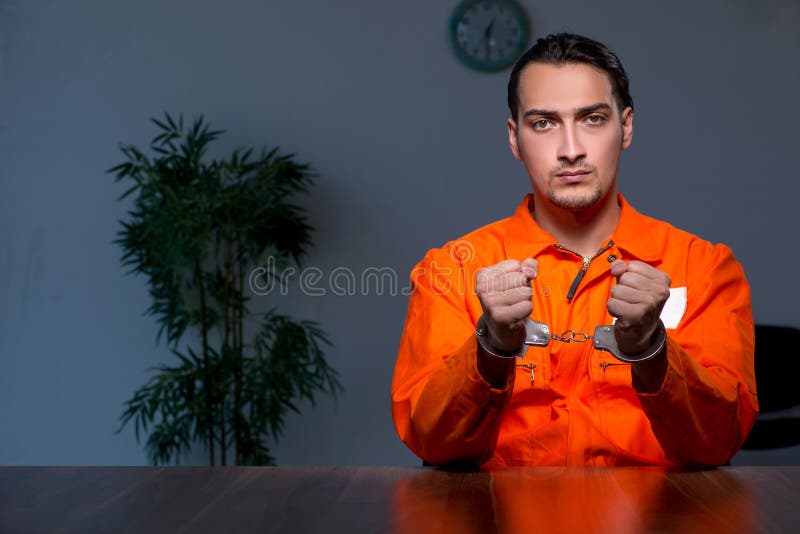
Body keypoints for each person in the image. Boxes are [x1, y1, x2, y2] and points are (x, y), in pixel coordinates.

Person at [390, 33, 758, 467]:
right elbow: (431, 441)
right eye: (543, 123)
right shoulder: (450, 270)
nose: (571, 150)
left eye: (593, 119)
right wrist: (491, 348)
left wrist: (652, 350)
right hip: (501, 506)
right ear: (515, 139)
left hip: (656, 506)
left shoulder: (704, 267)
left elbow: (720, 442)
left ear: (626, 127)